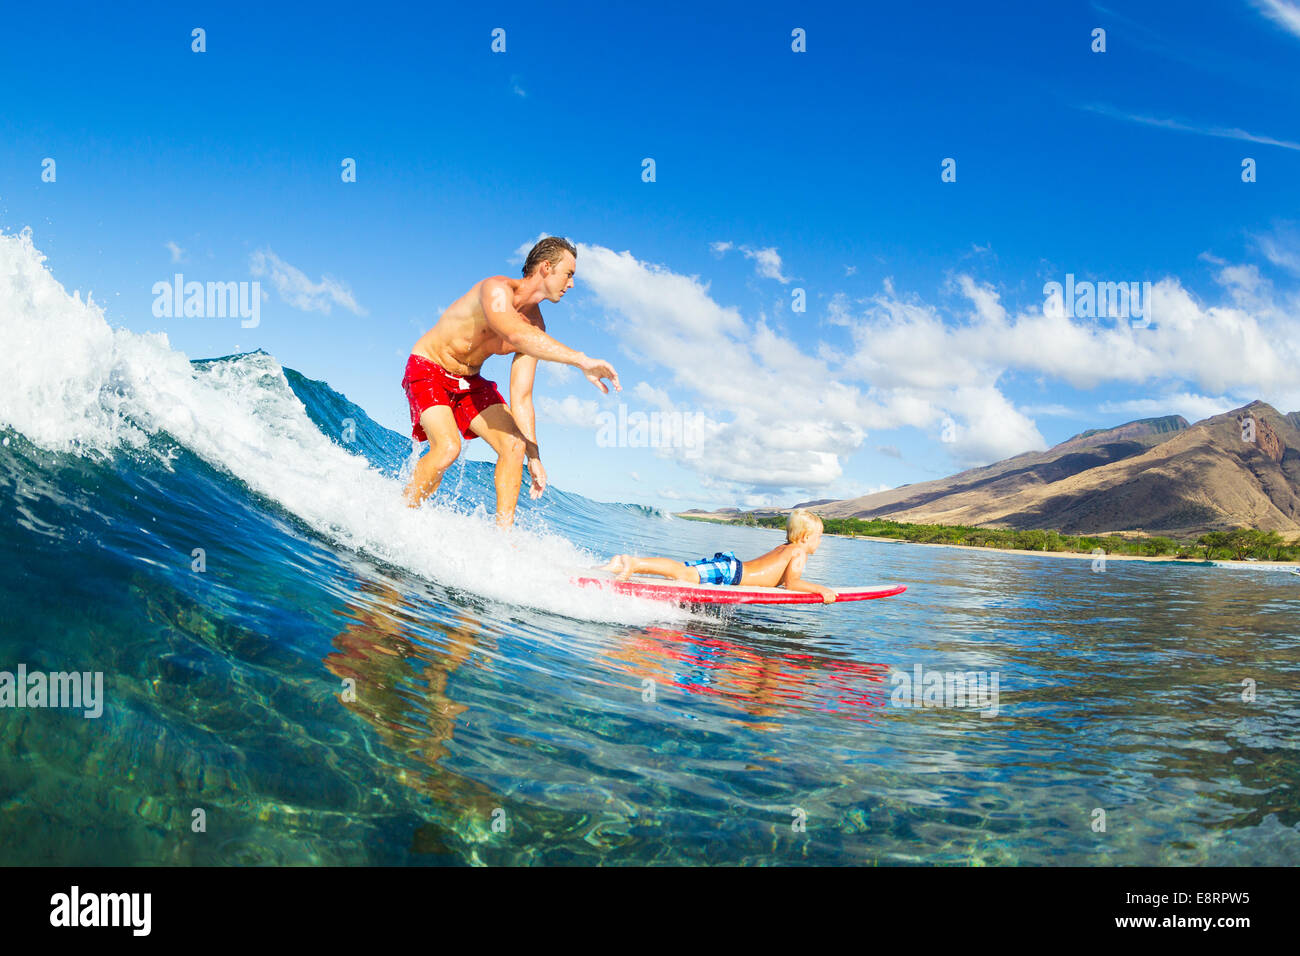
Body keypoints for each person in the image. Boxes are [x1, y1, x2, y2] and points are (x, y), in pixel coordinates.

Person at [401, 237, 620, 526]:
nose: (572, 284)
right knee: (447, 447)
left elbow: (522, 396)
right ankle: (402, 515)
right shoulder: (495, 290)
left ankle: (503, 540)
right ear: (546, 267)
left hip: (470, 382)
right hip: (429, 368)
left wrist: (534, 455)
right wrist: (581, 360)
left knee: (514, 446)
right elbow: (515, 333)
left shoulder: (537, 327)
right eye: (569, 274)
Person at [600, 509, 838, 602]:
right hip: (731, 574)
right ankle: (632, 562)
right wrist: (822, 590)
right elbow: (791, 583)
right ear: (806, 537)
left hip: (731, 568)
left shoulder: (784, 547)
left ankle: (619, 563)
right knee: (682, 573)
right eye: (819, 536)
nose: (820, 541)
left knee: (682, 571)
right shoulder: (798, 552)